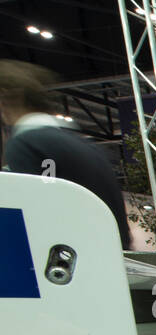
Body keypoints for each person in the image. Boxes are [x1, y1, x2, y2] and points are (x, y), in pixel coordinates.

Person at [0, 60, 131, 248]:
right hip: (109, 255)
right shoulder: (79, 143)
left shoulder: (28, 144)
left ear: (7, 96)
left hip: (73, 261)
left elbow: (42, 209)